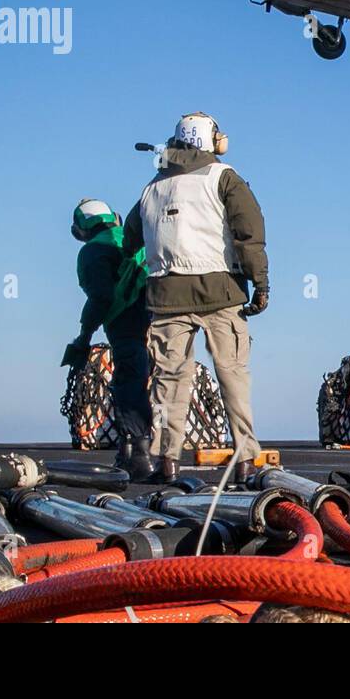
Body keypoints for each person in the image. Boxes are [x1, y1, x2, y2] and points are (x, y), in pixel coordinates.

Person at [124, 112, 269, 484]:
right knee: (232, 375)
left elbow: (131, 238)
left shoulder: (152, 187)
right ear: (213, 140)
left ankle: (167, 461)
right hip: (221, 293)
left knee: (170, 380)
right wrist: (261, 284)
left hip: (165, 296)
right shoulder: (224, 178)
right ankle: (244, 461)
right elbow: (249, 234)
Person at [62, 198, 155, 480]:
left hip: (126, 319)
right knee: (143, 377)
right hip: (154, 313)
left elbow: (101, 297)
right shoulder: (130, 237)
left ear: (81, 229)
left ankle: (139, 454)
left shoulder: (93, 251)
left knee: (129, 381)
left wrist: (84, 336)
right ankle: (129, 450)